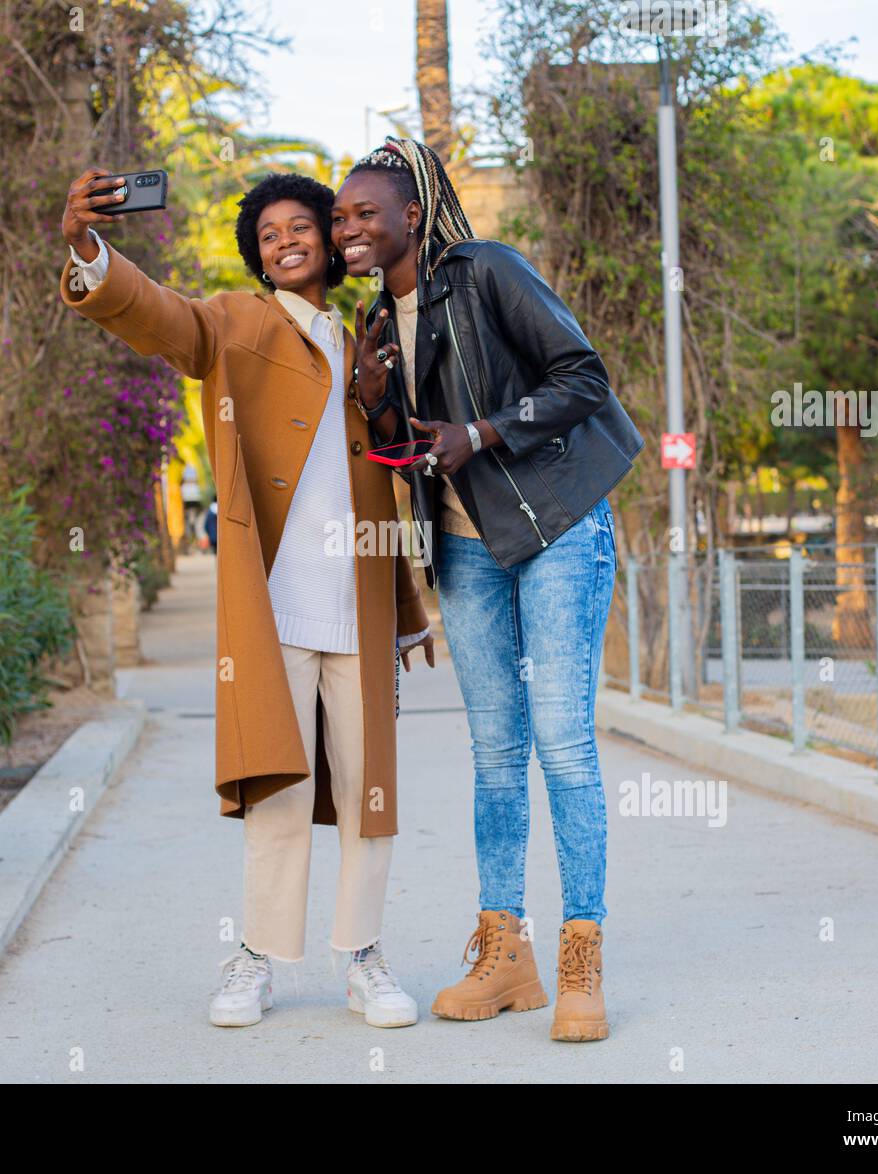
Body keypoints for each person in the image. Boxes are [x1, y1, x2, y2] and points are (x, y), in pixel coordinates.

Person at [60, 168, 435, 1029]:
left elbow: (385, 481)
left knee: (373, 793)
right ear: (257, 257)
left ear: (332, 243)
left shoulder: (368, 337)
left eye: (302, 226)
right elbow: (160, 314)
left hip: (360, 607)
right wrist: (88, 249)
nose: (287, 241)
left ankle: (364, 957)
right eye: (269, 235)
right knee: (280, 789)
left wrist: (407, 613)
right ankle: (257, 957)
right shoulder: (233, 323)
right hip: (277, 613)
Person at [333, 137, 644, 1042]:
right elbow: (409, 448)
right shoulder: (379, 323)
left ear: (413, 217)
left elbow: (584, 377)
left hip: (556, 523)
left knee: (562, 739)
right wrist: (374, 398)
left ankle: (582, 954)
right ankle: (504, 952)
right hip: (465, 547)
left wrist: (487, 431)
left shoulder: (485, 271)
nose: (347, 228)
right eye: (341, 216)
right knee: (496, 752)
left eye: (364, 214)